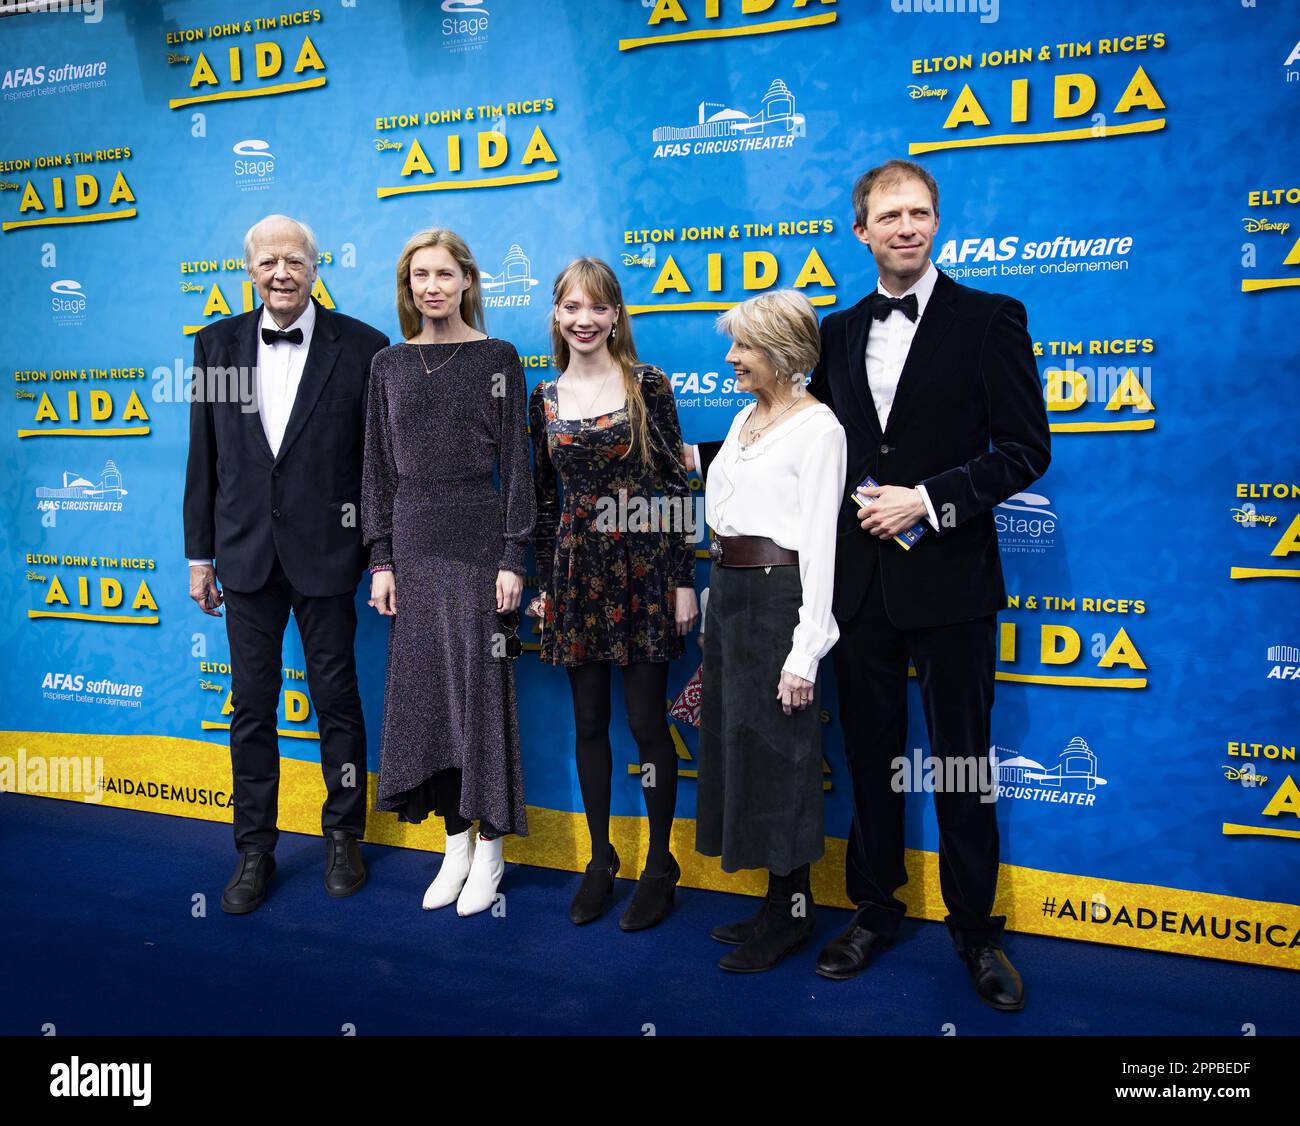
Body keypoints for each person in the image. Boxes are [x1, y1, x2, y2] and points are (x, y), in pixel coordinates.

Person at [689, 160, 1051, 1008]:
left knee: (960, 763)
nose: (906, 227)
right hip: (858, 593)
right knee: (869, 759)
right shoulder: (838, 333)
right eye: (889, 215)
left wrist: (929, 499)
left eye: (920, 213)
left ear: (937, 224)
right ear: (862, 230)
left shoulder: (992, 319)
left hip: (954, 585)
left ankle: (975, 932)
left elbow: (1026, 449)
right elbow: (784, 437)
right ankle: (874, 912)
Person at [184, 213, 388, 914]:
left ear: (314, 266)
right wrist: (198, 555)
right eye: (268, 262)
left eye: (294, 262)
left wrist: (376, 549)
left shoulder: (363, 346)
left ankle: (344, 836)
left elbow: (374, 465)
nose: (281, 273)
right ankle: (253, 852)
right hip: (242, 558)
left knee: (338, 703)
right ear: (249, 269)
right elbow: (203, 458)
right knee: (251, 709)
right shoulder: (214, 346)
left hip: (329, 555)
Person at [362, 228, 535, 917]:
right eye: (418, 276)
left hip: (477, 539)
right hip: (412, 540)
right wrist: (380, 558)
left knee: (481, 697)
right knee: (427, 702)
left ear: (468, 280)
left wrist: (513, 556)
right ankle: (454, 845)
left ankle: (492, 851)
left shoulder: (498, 356)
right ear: (407, 288)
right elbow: (375, 465)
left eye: (443, 273)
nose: (430, 286)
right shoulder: (388, 365)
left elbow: (519, 463)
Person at [528, 257, 698, 932]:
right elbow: (542, 502)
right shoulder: (543, 396)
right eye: (572, 307)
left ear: (617, 315)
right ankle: (601, 861)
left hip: (645, 568)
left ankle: (660, 865)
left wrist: (684, 579)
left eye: (598, 307)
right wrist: (542, 584)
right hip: (576, 572)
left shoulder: (647, 385)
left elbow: (676, 485)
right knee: (590, 723)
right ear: (557, 315)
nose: (585, 320)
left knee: (647, 724)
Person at [693, 290, 846, 973]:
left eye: (742, 346)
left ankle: (792, 915)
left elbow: (819, 543)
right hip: (731, 595)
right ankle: (775, 901)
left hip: (781, 600)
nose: (729, 358)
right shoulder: (743, 418)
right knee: (743, 748)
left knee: (784, 755)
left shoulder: (821, 431)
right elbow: (726, 509)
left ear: (783, 354)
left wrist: (806, 651)